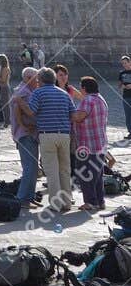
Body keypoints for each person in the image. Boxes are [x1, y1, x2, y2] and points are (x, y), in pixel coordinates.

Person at [26, 67, 76, 214]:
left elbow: (31, 112)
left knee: (52, 171)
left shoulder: (38, 93)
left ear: (40, 80)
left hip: (47, 135)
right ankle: (67, 202)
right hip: (64, 135)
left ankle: (55, 204)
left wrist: (19, 102)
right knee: (65, 170)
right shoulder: (64, 94)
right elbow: (72, 114)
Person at [72, 77, 109, 212]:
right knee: (98, 176)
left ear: (84, 88)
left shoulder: (87, 100)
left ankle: (90, 202)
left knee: (85, 175)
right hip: (100, 143)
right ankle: (100, 201)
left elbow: (79, 117)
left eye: (81, 87)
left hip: (87, 145)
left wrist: (70, 112)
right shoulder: (101, 100)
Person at [10, 67, 41, 211]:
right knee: (30, 167)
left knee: (33, 167)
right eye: (36, 78)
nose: (38, 81)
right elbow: (17, 108)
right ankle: (22, 198)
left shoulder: (27, 90)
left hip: (30, 133)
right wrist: (22, 125)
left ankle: (29, 197)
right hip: (25, 133)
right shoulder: (22, 91)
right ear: (28, 78)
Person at [0, 53, 12, 129]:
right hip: (2, 87)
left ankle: (7, 122)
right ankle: (6, 121)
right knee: (3, 105)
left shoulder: (5, 69)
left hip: (4, 88)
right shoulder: (3, 68)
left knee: (6, 106)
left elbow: (3, 80)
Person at [120, 54, 131, 141]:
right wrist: (122, 86)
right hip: (126, 96)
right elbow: (119, 85)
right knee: (128, 115)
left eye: (125, 63)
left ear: (129, 62)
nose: (124, 65)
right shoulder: (122, 73)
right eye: (123, 63)